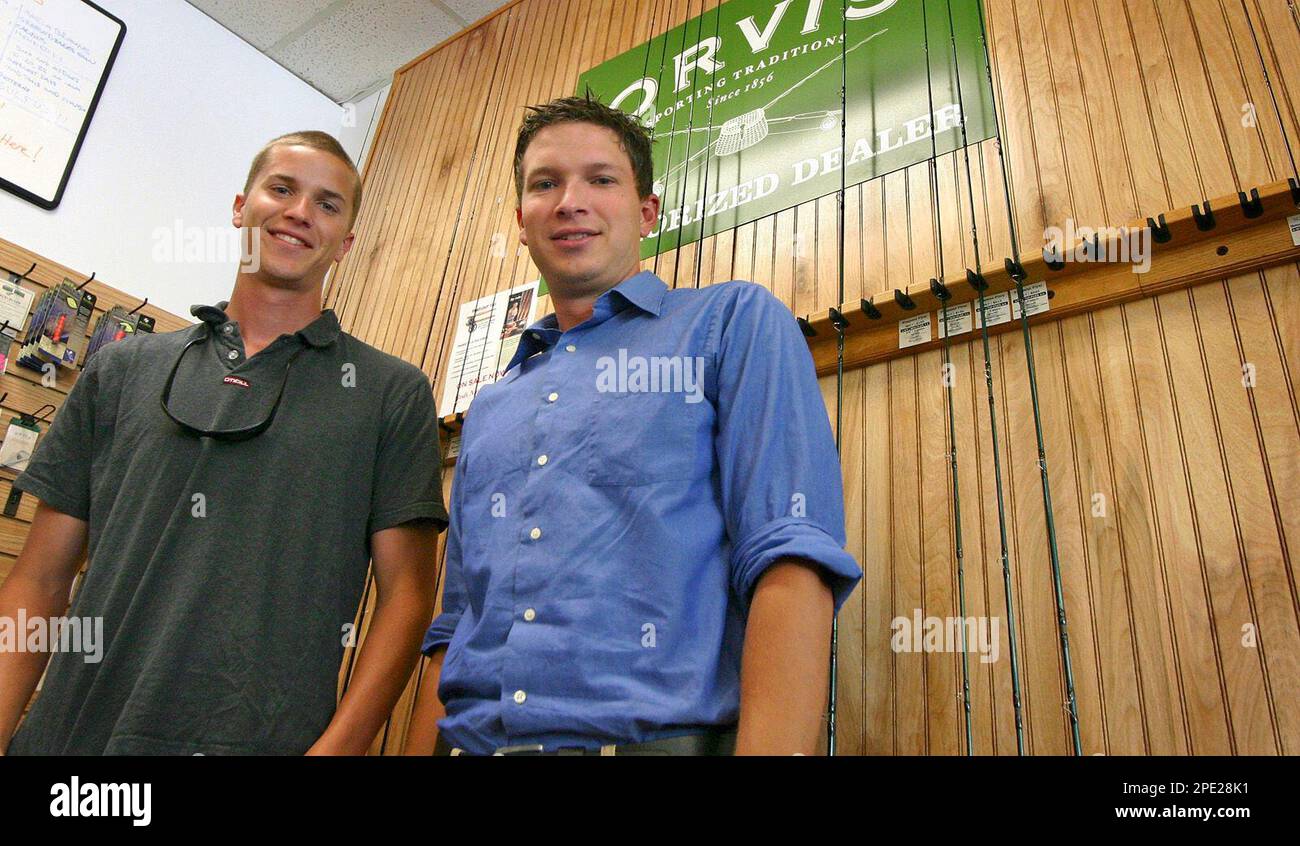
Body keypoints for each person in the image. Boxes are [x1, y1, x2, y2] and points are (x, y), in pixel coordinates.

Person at [406, 96, 861, 756]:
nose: (570, 201)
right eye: (545, 184)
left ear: (646, 211)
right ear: (522, 221)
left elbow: (790, 558)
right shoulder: (491, 408)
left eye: (600, 178)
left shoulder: (732, 322)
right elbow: (454, 626)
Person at [0, 131, 448, 755]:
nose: (298, 212)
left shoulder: (389, 395)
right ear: (242, 207)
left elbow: (407, 600)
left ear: (346, 242)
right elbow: (39, 580)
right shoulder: (121, 370)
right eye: (282, 189)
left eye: (327, 204)